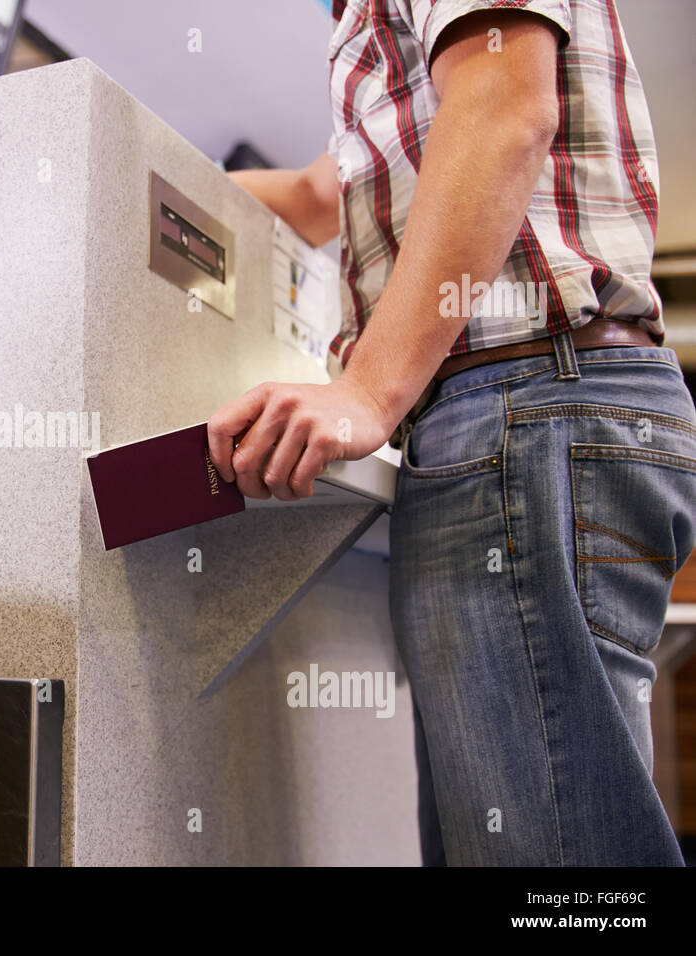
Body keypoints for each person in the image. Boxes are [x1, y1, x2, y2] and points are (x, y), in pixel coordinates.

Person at [216, 0, 691, 865]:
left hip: (524, 399)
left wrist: (366, 389)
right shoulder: (388, 45)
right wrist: (22, 127)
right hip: (530, 407)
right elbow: (315, 197)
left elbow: (506, 108)